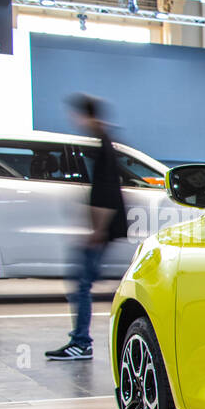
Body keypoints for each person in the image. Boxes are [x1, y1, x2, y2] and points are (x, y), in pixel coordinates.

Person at [46, 94, 128, 362]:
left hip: (103, 231)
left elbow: (107, 194)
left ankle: (81, 342)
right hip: (104, 230)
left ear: (88, 116)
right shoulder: (105, 142)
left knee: (81, 284)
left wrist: (97, 231)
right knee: (82, 282)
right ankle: (80, 340)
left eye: (78, 115)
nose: (76, 120)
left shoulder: (105, 145)